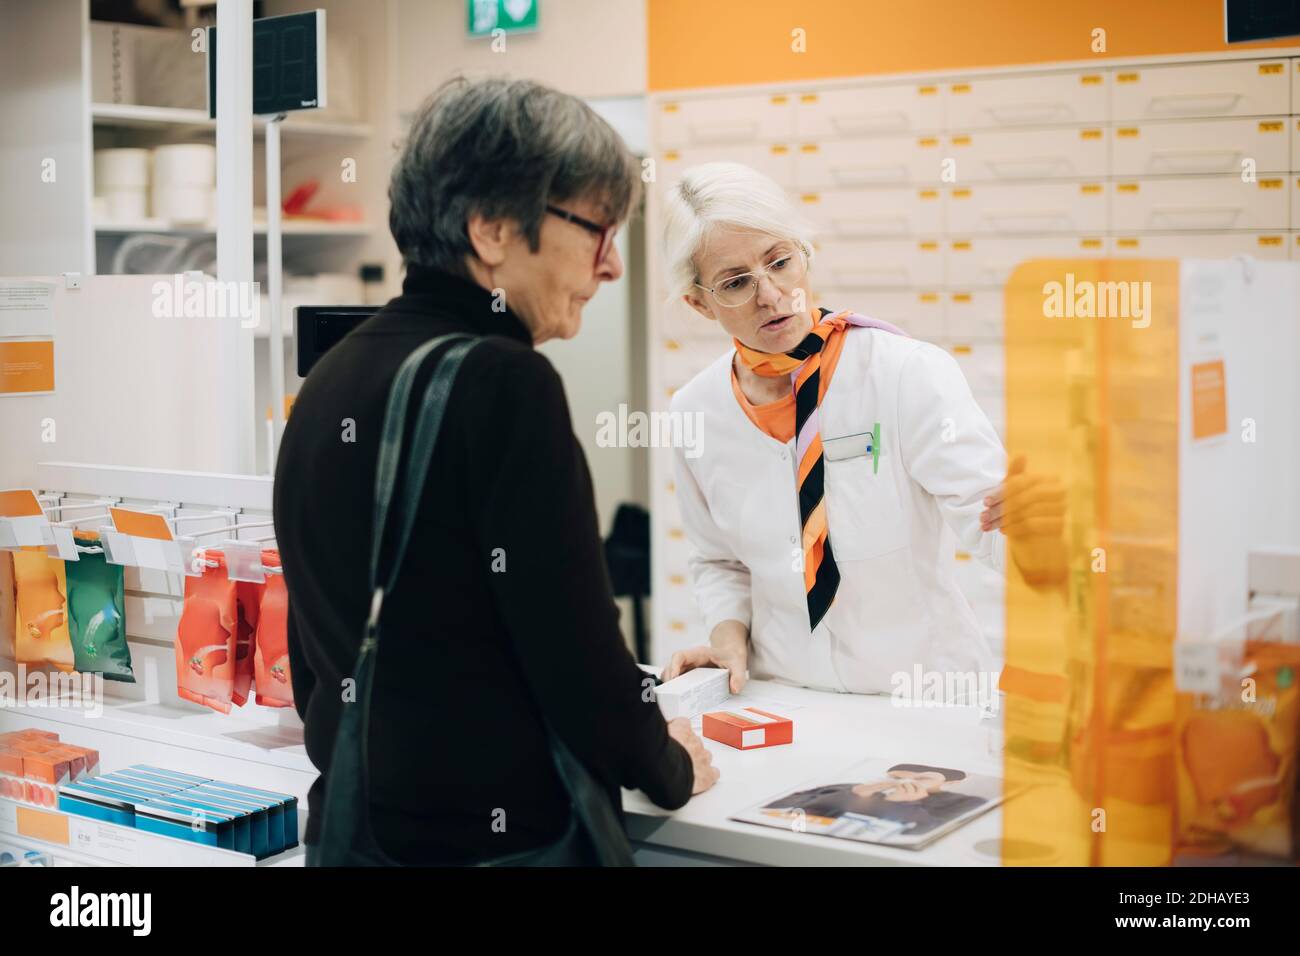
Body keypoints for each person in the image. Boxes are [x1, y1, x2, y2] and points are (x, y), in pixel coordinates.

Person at [273, 76, 717, 866]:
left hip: (360, 828)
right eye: (596, 232)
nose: (610, 268)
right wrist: (670, 762)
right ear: (491, 230)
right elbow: (578, 655)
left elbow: (313, 658)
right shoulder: (503, 382)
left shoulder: (331, 376)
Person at [658, 162, 1066, 697]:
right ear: (698, 302)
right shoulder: (696, 411)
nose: (772, 295)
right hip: (788, 695)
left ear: (804, 253)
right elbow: (718, 561)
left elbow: (993, 530)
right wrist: (729, 642)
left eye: (779, 262)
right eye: (736, 283)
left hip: (925, 696)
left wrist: (1041, 530)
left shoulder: (905, 372)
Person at [764, 764, 987, 837]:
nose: (904, 782)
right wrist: (850, 796)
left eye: (921, 778)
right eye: (895, 778)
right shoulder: (849, 789)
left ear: (950, 784)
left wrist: (906, 806)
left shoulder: (966, 804)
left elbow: (923, 835)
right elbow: (774, 810)